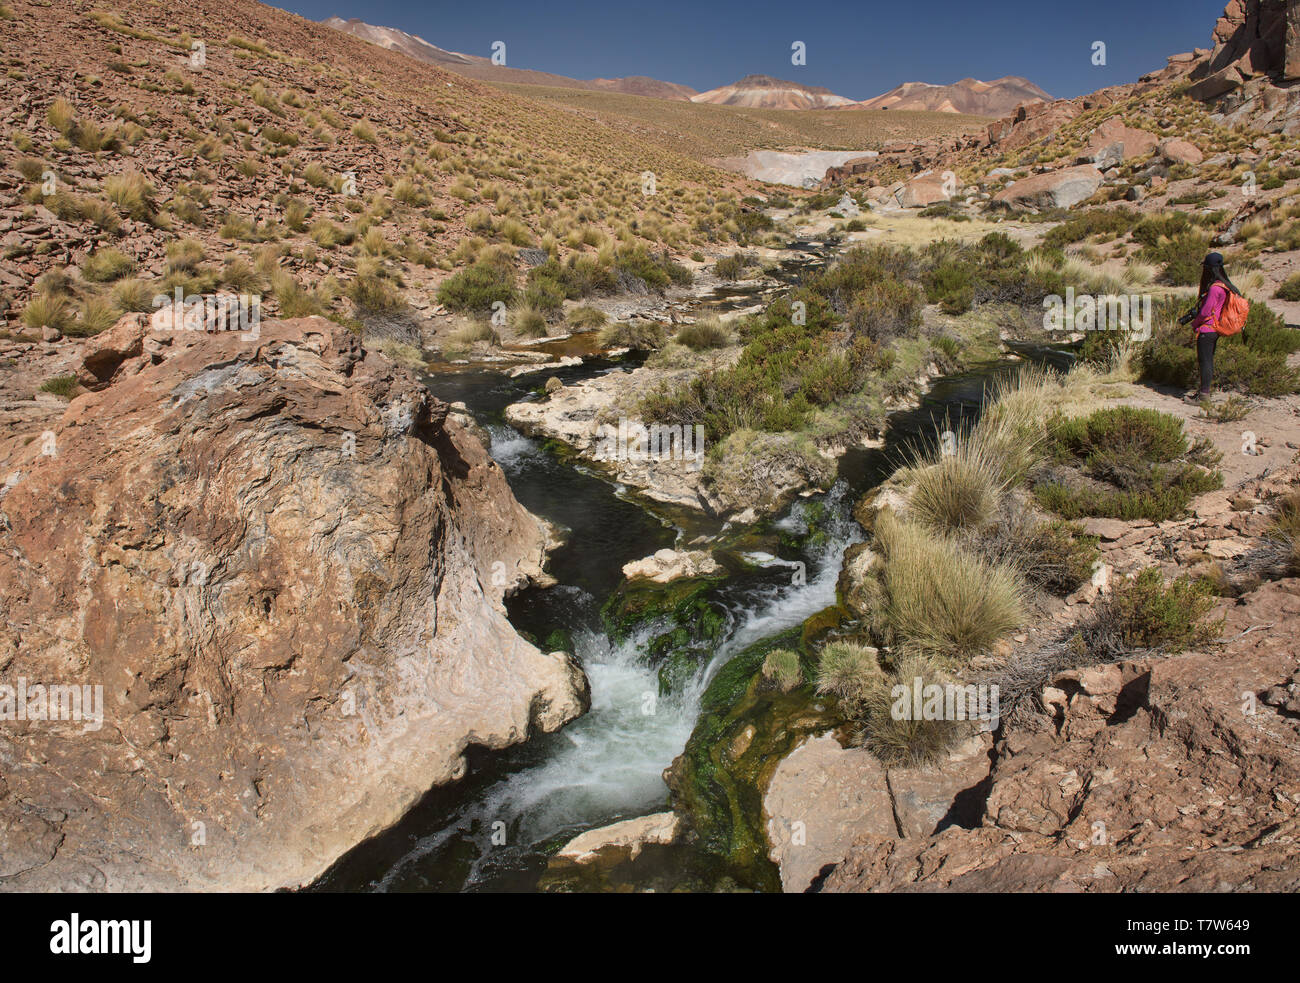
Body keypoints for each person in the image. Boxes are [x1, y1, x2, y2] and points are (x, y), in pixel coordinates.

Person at [1185, 252, 1241, 402]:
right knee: (1208, 360)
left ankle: (1203, 395)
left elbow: (1205, 311)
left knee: (1205, 362)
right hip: (1215, 329)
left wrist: (1195, 324)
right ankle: (1203, 392)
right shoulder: (1226, 286)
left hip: (1207, 329)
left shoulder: (1215, 288)